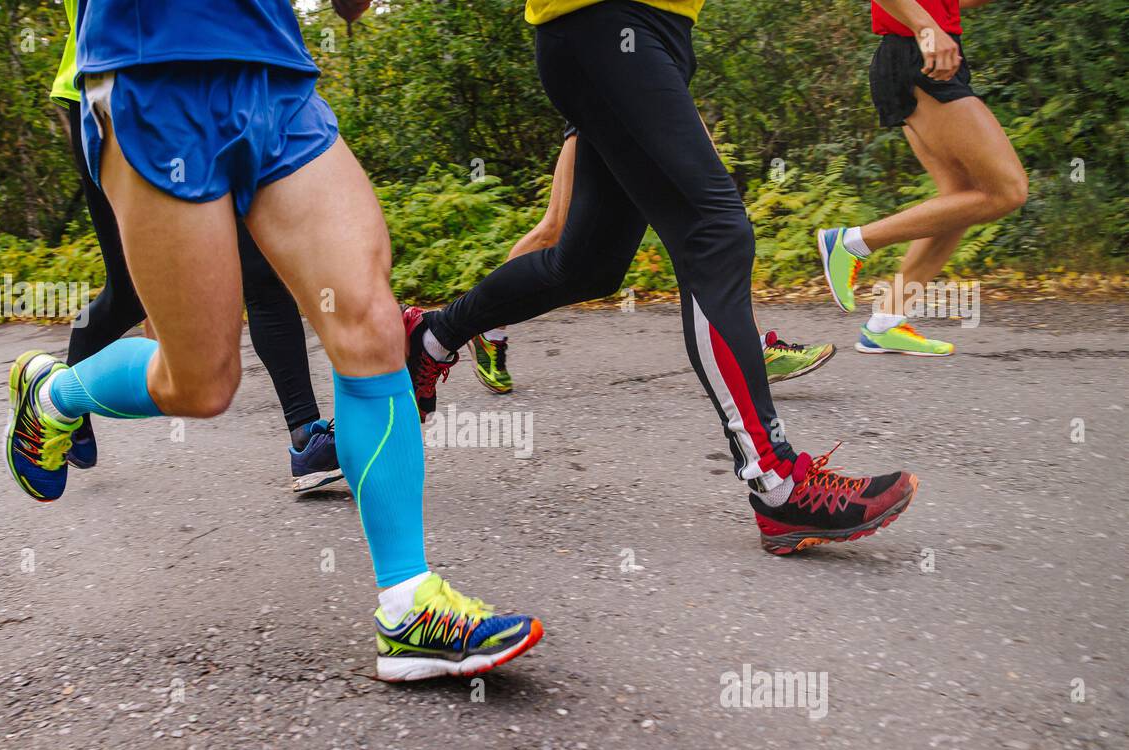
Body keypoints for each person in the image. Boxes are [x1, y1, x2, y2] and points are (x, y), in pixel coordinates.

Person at [6, 0, 542, 680]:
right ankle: (54, 395)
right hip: (153, 69)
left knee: (370, 322)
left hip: (275, 73)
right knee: (201, 384)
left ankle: (409, 609)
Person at [404, 0, 918, 556]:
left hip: (648, 36)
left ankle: (432, 336)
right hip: (604, 24)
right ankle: (778, 483)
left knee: (587, 265)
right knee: (715, 234)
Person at [48, 0, 341, 494]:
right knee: (130, 294)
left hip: (223, 73)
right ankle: (59, 397)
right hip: (113, 88)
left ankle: (305, 436)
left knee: (261, 271)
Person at [468, 125, 835, 394]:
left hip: (648, 105)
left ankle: (751, 350)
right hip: (602, 105)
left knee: (712, 217)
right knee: (555, 230)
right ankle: (487, 328)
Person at [816, 0, 1027, 356]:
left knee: (960, 199)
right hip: (918, 52)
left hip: (925, 52)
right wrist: (927, 28)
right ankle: (851, 242)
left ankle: (886, 322)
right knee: (1007, 191)